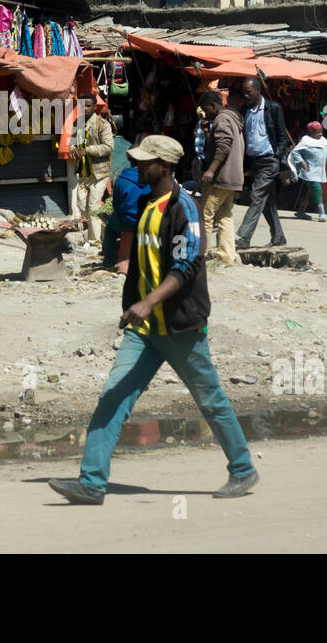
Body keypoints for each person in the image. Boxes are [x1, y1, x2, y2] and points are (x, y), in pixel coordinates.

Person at [48, 135, 258, 505]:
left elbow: (187, 265)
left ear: (165, 166)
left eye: (145, 163)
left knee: (210, 400)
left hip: (180, 327)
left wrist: (147, 302)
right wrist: (136, 305)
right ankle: (92, 483)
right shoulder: (146, 203)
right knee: (112, 398)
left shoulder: (184, 209)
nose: (137, 167)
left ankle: (242, 469)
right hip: (144, 331)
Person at [234, 77, 288, 248]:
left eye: (248, 92)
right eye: (244, 92)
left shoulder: (273, 108)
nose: (246, 95)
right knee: (267, 201)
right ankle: (278, 237)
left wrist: (277, 157)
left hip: (269, 160)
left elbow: (282, 136)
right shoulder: (244, 110)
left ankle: (244, 237)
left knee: (256, 196)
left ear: (258, 90)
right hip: (254, 162)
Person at [197, 91, 244, 262]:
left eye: (206, 109)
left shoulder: (222, 119)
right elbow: (220, 143)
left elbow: (223, 146)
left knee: (205, 214)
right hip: (233, 177)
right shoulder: (232, 118)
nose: (206, 113)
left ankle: (199, 255)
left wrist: (210, 170)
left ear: (213, 105)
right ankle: (226, 256)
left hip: (221, 177)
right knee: (224, 215)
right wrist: (208, 133)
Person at [70, 94, 114, 246]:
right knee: (82, 206)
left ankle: (95, 241)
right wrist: (73, 150)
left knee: (93, 207)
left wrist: (87, 150)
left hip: (99, 173)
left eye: (89, 106)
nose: (86, 109)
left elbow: (109, 147)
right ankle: (100, 233)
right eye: (83, 106)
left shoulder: (103, 125)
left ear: (95, 107)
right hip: (83, 173)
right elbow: (72, 142)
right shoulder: (77, 123)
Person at [287, 121, 327, 221]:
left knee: (311, 192)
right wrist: (302, 162)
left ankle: (301, 211)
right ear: (311, 132)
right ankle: (321, 213)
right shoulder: (306, 141)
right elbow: (295, 153)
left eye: (321, 132)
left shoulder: (323, 141)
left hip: (319, 171)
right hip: (308, 171)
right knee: (317, 190)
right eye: (317, 132)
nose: (320, 134)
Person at [100, 165, 149, 274]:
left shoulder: (122, 179)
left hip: (127, 222)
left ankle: (109, 263)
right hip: (148, 220)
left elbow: (116, 205)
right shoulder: (153, 176)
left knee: (109, 227)